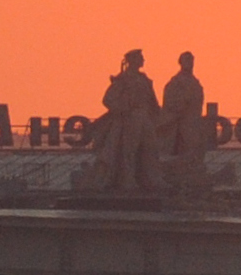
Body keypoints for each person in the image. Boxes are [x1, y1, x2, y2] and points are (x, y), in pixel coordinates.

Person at [90, 48, 158, 192]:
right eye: (140, 58)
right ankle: (128, 180)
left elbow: (153, 102)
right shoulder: (123, 79)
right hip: (130, 118)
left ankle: (152, 178)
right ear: (133, 61)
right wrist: (123, 109)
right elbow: (108, 99)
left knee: (150, 148)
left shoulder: (144, 79)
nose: (143, 60)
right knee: (130, 151)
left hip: (145, 117)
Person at [156, 48, 210, 194]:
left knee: (195, 149)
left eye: (191, 61)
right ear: (181, 63)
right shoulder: (176, 82)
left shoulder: (194, 81)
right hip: (182, 123)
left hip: (194, 121)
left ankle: (192, 175)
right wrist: (183, 103)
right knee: (187, 148)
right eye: (187, 61)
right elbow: (170, 104)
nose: (190, 64)